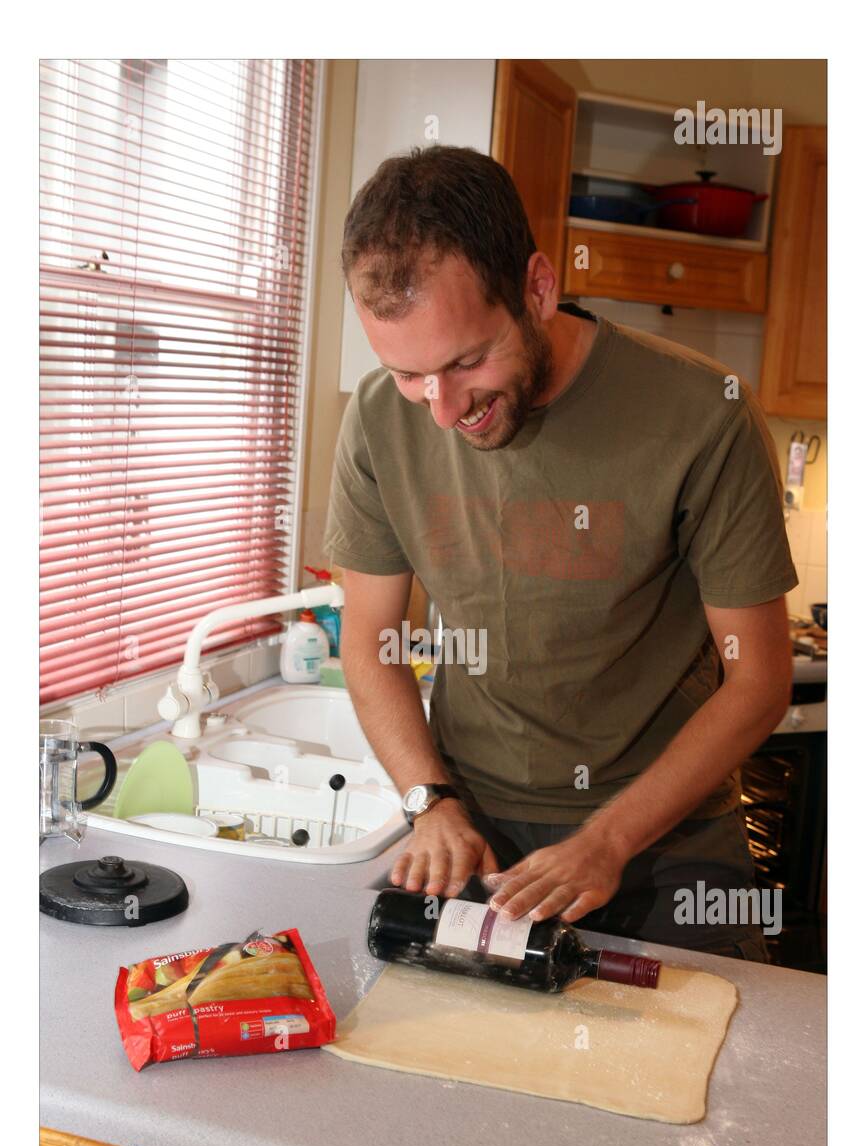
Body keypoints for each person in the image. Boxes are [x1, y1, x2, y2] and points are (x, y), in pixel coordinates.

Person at [323, 145, 796, 960]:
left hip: (667, 833)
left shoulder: (703, 415)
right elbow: (370, 641)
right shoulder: (375, 419)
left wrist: (608, 841)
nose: (441, 412)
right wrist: (428, 802)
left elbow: (757, 678)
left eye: (467, 361)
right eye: (408, 375)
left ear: (538, 289)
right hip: (476, 828)